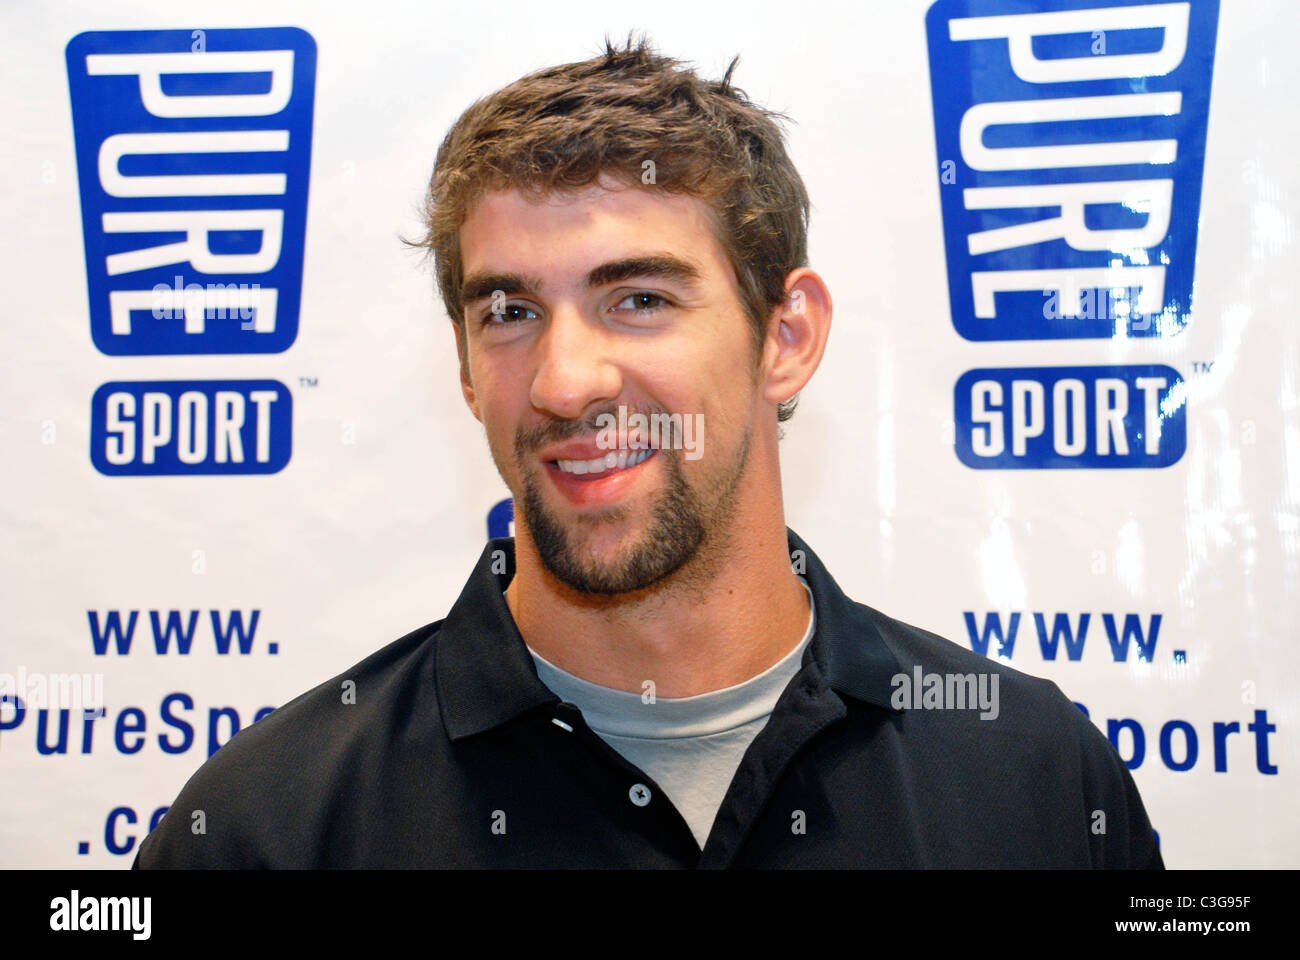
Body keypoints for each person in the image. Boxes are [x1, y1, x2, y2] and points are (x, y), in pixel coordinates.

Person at [134, 35, 1163, 869]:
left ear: (786, 337)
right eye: (508, 310)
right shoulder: (270, 830)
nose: (564, 382)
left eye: (638, 299)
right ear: (460, 359)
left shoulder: (1031, 781)